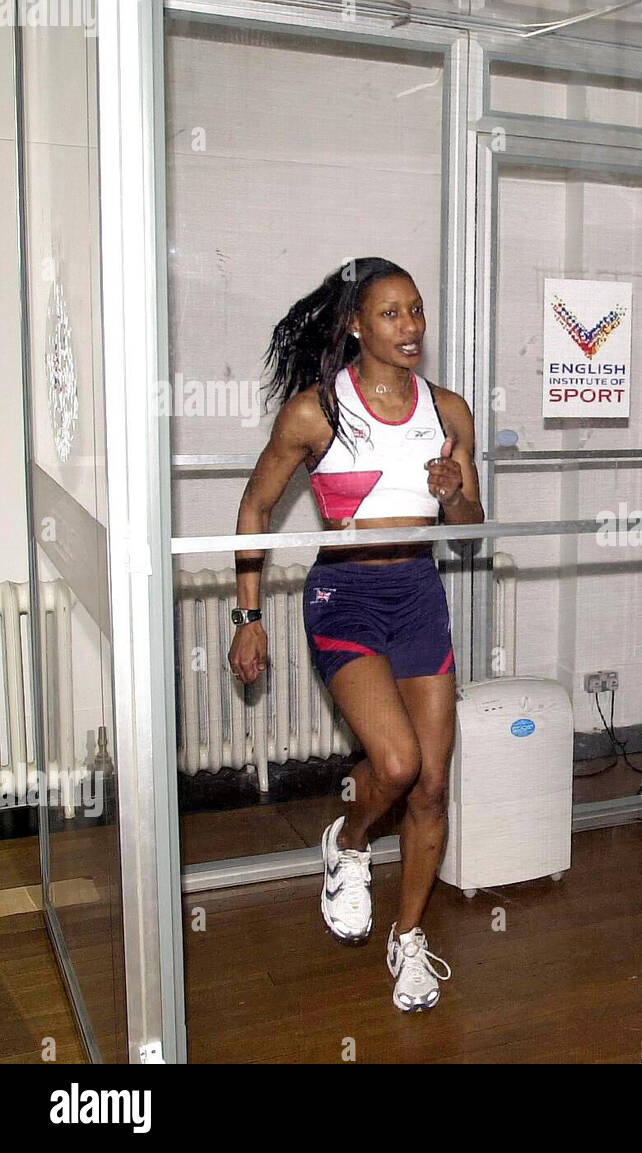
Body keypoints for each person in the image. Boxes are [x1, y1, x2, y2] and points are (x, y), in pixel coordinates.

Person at [227, 257, 483, 1012]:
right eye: (391, 314)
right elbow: (255, 505)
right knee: (397, 762)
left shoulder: (449, 410)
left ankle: (408, 941)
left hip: (417, 592)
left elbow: (469, 527)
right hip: (345, 595)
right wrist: (248, 615)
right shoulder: (318, 412)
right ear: (356, 326)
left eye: (416, 311)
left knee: (434, 782)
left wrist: (455, 491)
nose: (411, 327)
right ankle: (348, 839)